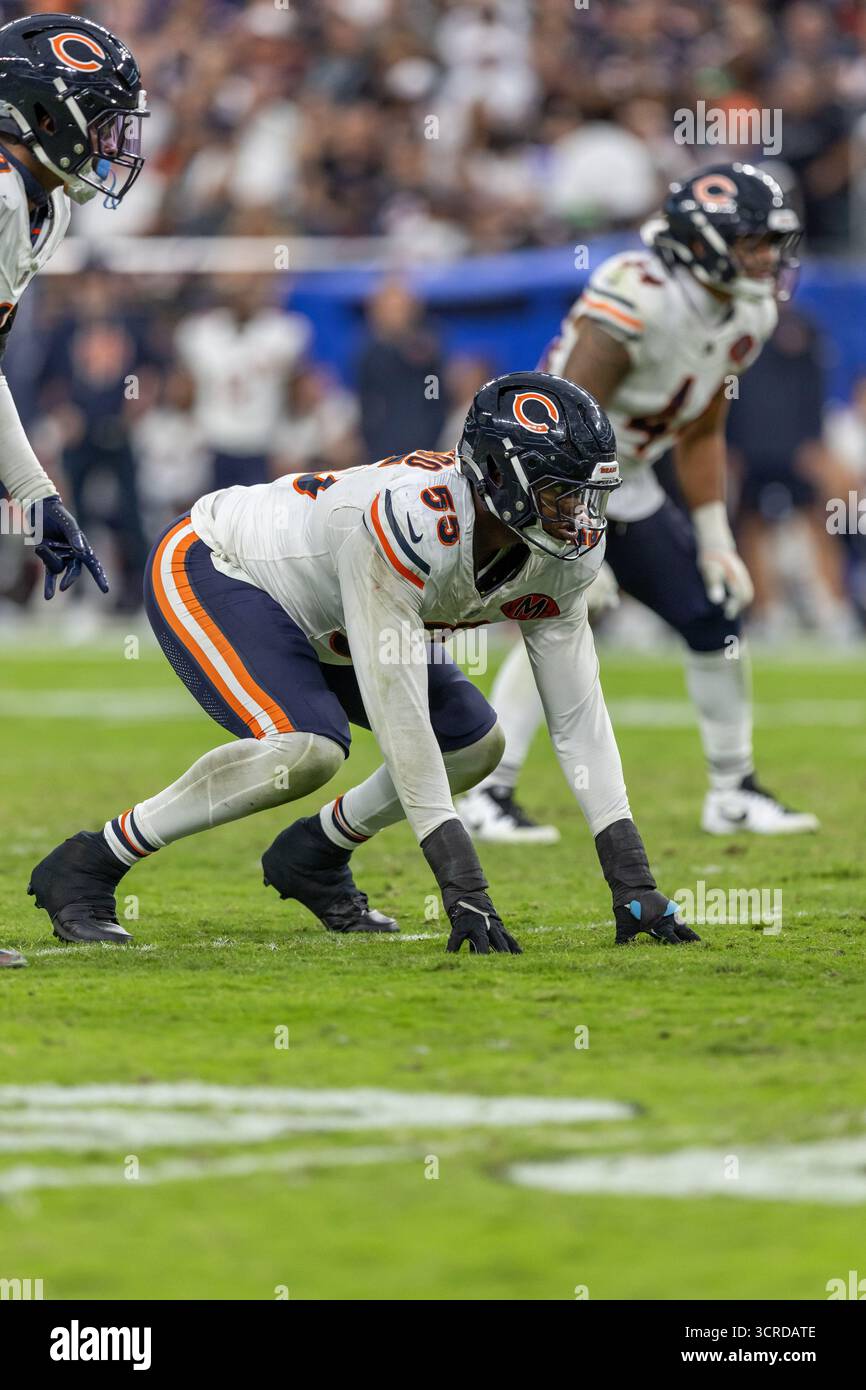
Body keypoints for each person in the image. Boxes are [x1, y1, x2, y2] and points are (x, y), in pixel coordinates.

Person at [29, 371, 697, 954]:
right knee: (307, 749)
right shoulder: (410, 524)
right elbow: (400, 715)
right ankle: (90, 862)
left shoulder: (561, 554)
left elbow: (578, 715)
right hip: (224, 565)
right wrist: (463, 886)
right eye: (561, 493)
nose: (580, 515)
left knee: (475, 746)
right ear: (500, 479)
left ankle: (315, 854)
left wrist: (633, 881)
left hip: (341, 617)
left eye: (586, 494)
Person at [458, 164, 820, 844]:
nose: (767, 259)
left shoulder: (749, 311)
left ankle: (733, 792)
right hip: (551, 481)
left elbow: (704, 425)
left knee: (712, 614)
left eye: (772, 243)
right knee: (558, 621)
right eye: (752, 243)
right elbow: (564, 421)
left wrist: (715, 536)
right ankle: (486, 793)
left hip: (631, 480)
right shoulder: (639, 293)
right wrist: (573, 536)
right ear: (702, 243)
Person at [0, 13, 148, 967]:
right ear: (43, 114)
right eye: (102, 121)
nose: (114, 143)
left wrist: (35, 494)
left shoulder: (34, 202)